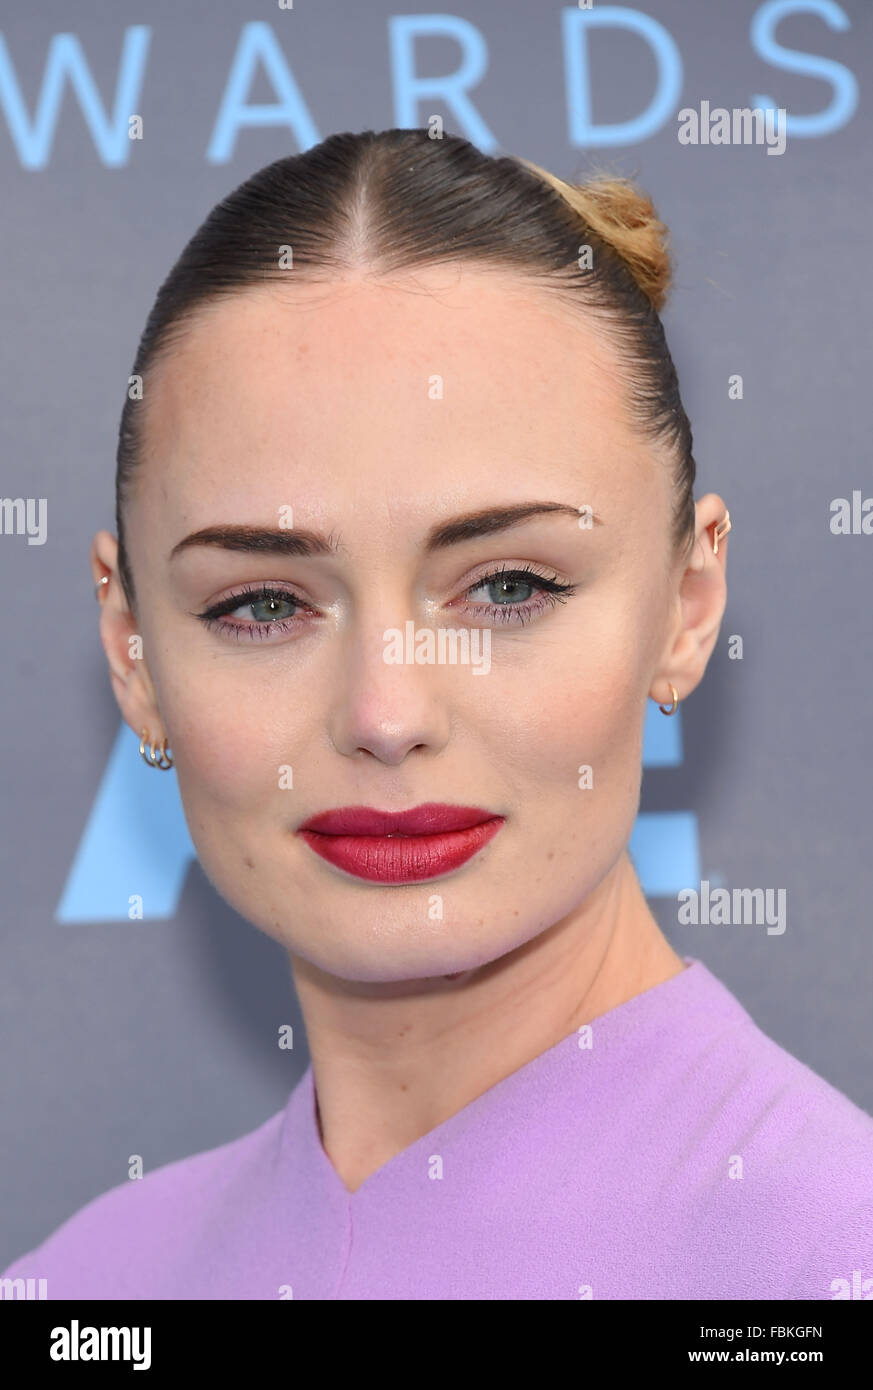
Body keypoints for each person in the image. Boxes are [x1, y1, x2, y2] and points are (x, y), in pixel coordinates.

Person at [3, 129, 871, 1300]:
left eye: (510, 586)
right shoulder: (87, 1289)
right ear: (132, 649)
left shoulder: (829, 1258)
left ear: (687, 604)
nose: (386, 712)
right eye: (262, 602)